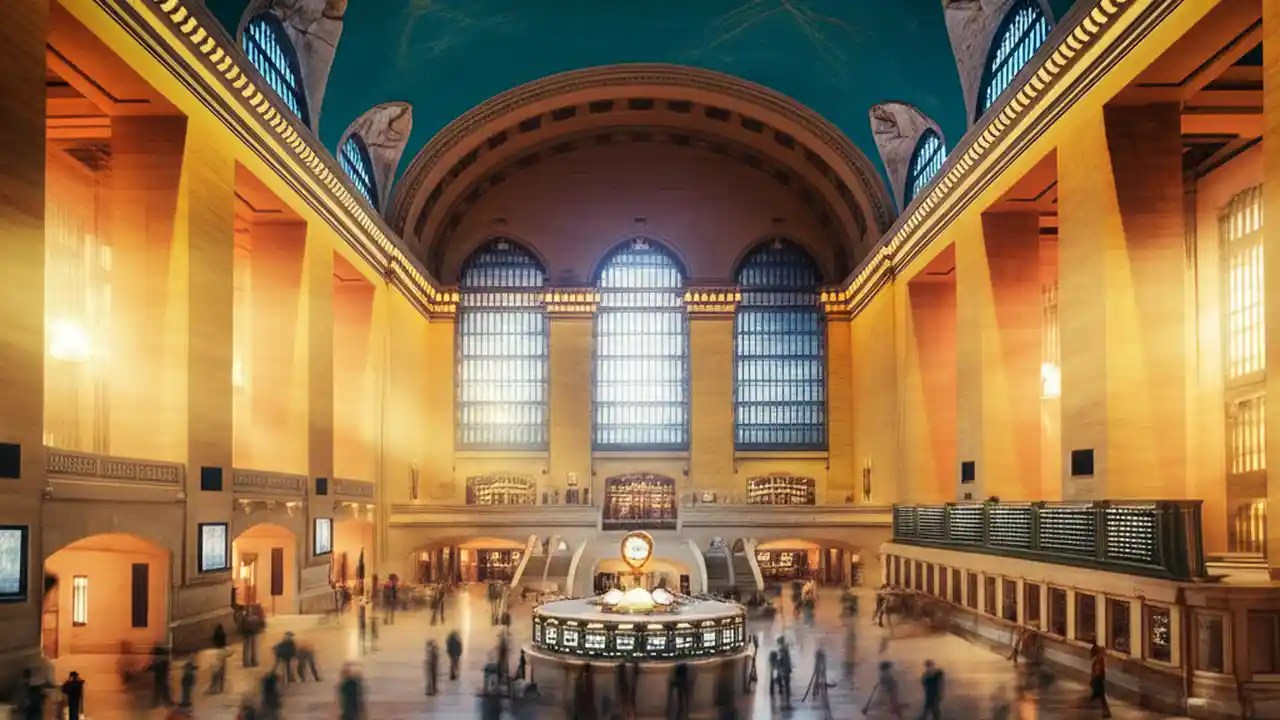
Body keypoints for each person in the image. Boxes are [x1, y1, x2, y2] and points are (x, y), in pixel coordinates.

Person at [1088, 644, 1113, 718]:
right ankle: (1106, 712)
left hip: (1098, 680)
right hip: (1100, 680)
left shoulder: (1098, 660)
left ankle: (1106, 712)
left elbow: (1097, 670)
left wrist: (1093, 679)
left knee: (1101, 697)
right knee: (1102, 698)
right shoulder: (1100, 659)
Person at [776, 637, 793, 708]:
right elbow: (787, 660)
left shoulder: (782, 649)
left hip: (784, 669)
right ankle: (787, 697)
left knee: (784, 682)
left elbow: (781, 660)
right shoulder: (785, 648)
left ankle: (786, 696)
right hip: (786, 668)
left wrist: (778, 666)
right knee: (787, 683)